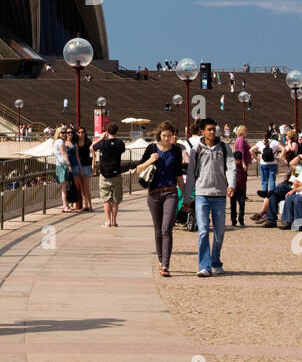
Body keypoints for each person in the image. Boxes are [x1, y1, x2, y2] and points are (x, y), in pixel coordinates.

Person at [186, 118, 235, 276]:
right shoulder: (196, 150)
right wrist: (187, 197)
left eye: (214, 129)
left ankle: (216, 262)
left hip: (219, 194)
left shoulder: (224, 147)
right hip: (202, 194)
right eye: (209, 129)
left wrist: (231, 185)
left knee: (219, 232)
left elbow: (231, 167)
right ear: (202, 131)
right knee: (203, 231)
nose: (212, 132)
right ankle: (204, 266)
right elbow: (191, 173)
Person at [137, 121, 184, 277]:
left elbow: (178, 174)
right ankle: (160, 260)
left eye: (169, 135)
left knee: (166, 229)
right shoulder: (151, 148)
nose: (167, 138)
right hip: (154, 193)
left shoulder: (176, 151)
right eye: (164, 135)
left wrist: (185, 194)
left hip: (171, 192)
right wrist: (151, 160)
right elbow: (138, 169)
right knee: (158, 231)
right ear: (159, 135)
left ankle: (165, 264)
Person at [91, 122, 127, 227]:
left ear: (107, 131)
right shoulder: (120, 143)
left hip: (104, 175)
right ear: (116, 131)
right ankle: (114, 221)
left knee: (106, 199)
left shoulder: (103, 143)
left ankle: (107, 221)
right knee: (115, 200)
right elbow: (122, 150)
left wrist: (101, 138)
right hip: (116, 174)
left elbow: (92, 147)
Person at [230, 124, 251, 226]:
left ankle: (235, 219)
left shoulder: (237, 139)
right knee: (239, 196)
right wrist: (243, 163)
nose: (247, 132)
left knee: (234, 199)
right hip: (241, 166)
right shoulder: (241, 139)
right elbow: (241, 151)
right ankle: (239, 218)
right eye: (246, 130)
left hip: (238, 165)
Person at [53, 125, 75, 212]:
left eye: (65, 132)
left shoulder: (57, 142)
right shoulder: (60, 142)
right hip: (63, 165)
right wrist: (69, 165)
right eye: (62, 132)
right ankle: (65, 206)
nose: (64, 134)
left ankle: (65, 205)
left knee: (65, 186)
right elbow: (64, 153)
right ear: (58, 133)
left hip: (60, 165)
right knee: (64, 187)